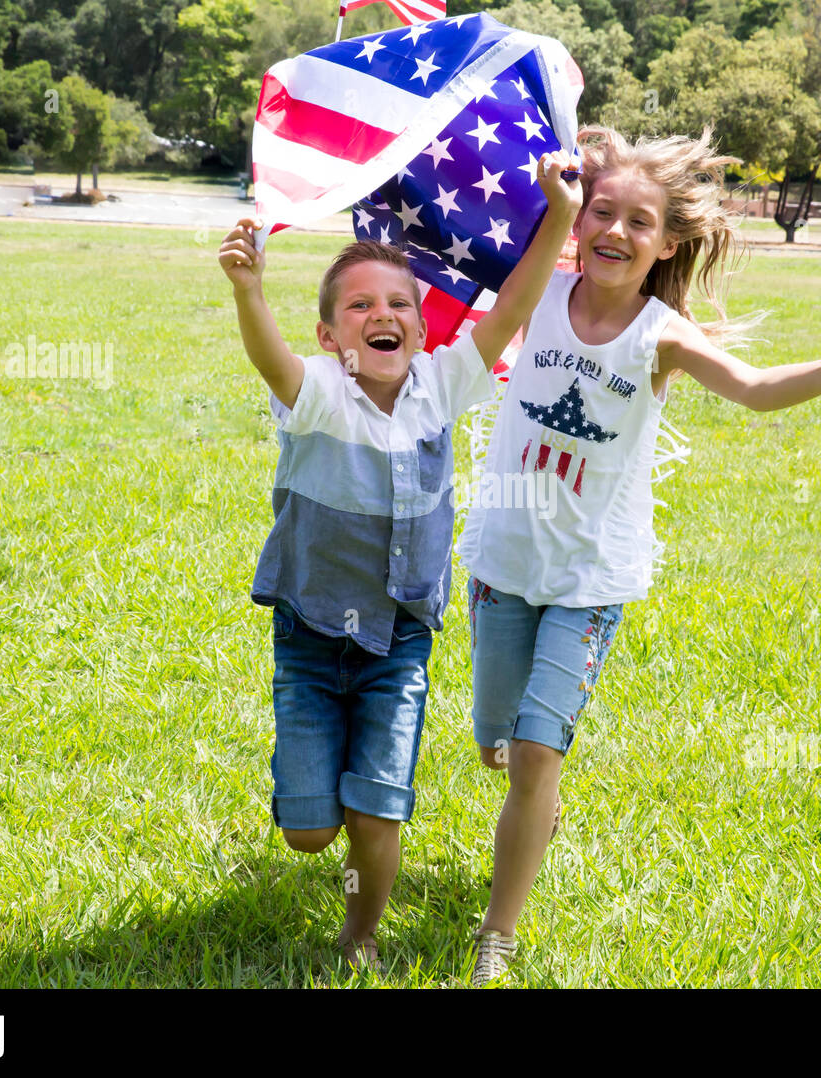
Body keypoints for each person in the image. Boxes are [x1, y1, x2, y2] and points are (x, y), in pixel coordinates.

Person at [456, 125, 821, 986]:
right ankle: (532, 796)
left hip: (590, 578)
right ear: (577, 217)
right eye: (602, 212)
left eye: (640, 222)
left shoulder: (659, 334)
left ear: (668, 243)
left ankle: (497, 936)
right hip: (505, 560)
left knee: (538, 754)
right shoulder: (538, 294)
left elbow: (751, 386)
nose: (616, 233)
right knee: (501, 746)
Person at [218, 150, 582, 972]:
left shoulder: (443, 384)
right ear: (328, 335)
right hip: (311, 639)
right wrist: (248, 287)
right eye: (359, 306)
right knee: (310, 831)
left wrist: (559, 214)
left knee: (378, 813)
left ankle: (360, 932)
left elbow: (513, 302)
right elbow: (265, 355)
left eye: (398, 306)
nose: (381, 315)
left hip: (400, 640)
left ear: (421, 330)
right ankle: (322, 796)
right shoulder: (312, 392)